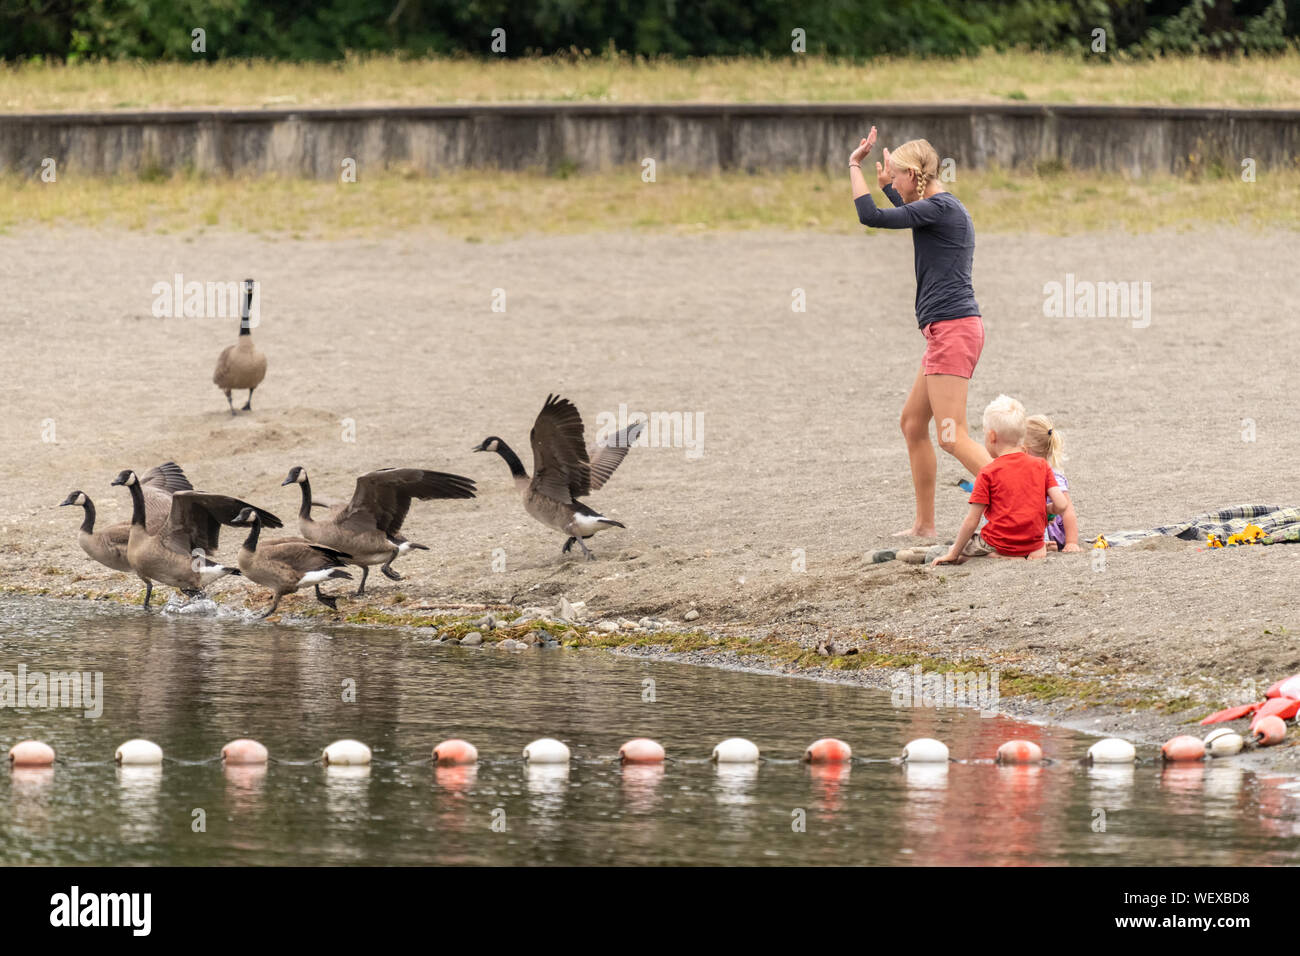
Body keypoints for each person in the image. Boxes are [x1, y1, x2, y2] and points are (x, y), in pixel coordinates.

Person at [848, 127, 989, 540]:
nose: (892, 182)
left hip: (953, 330)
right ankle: (925, 526)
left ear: (913, 174)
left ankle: (1025, 496)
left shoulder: (941, 209)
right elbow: (910, 212)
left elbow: (869, 216)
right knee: (913, 424)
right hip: (945, 332)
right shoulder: (939, 209)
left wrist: (854, 165)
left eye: (895, 176)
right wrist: (891, 188)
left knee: (951, 435)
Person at [933, 395, 1076, 564]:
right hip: (1033, 544)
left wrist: (954, 553)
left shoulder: (988, 472)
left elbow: (972, 521)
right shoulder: (1042, 466)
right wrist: (1043, 510)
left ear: (992, 437)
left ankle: (996, 555)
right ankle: (1035, 548)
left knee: (961, 545)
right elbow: (1061, 505)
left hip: (1000, 544)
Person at [1023, 414, 1080, 552]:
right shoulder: (1021, 473)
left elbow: (1067, 510)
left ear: (1024, 449)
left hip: (1053, 528)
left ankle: (1047, 543)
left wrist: (1072, 542)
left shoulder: (1053, 476)